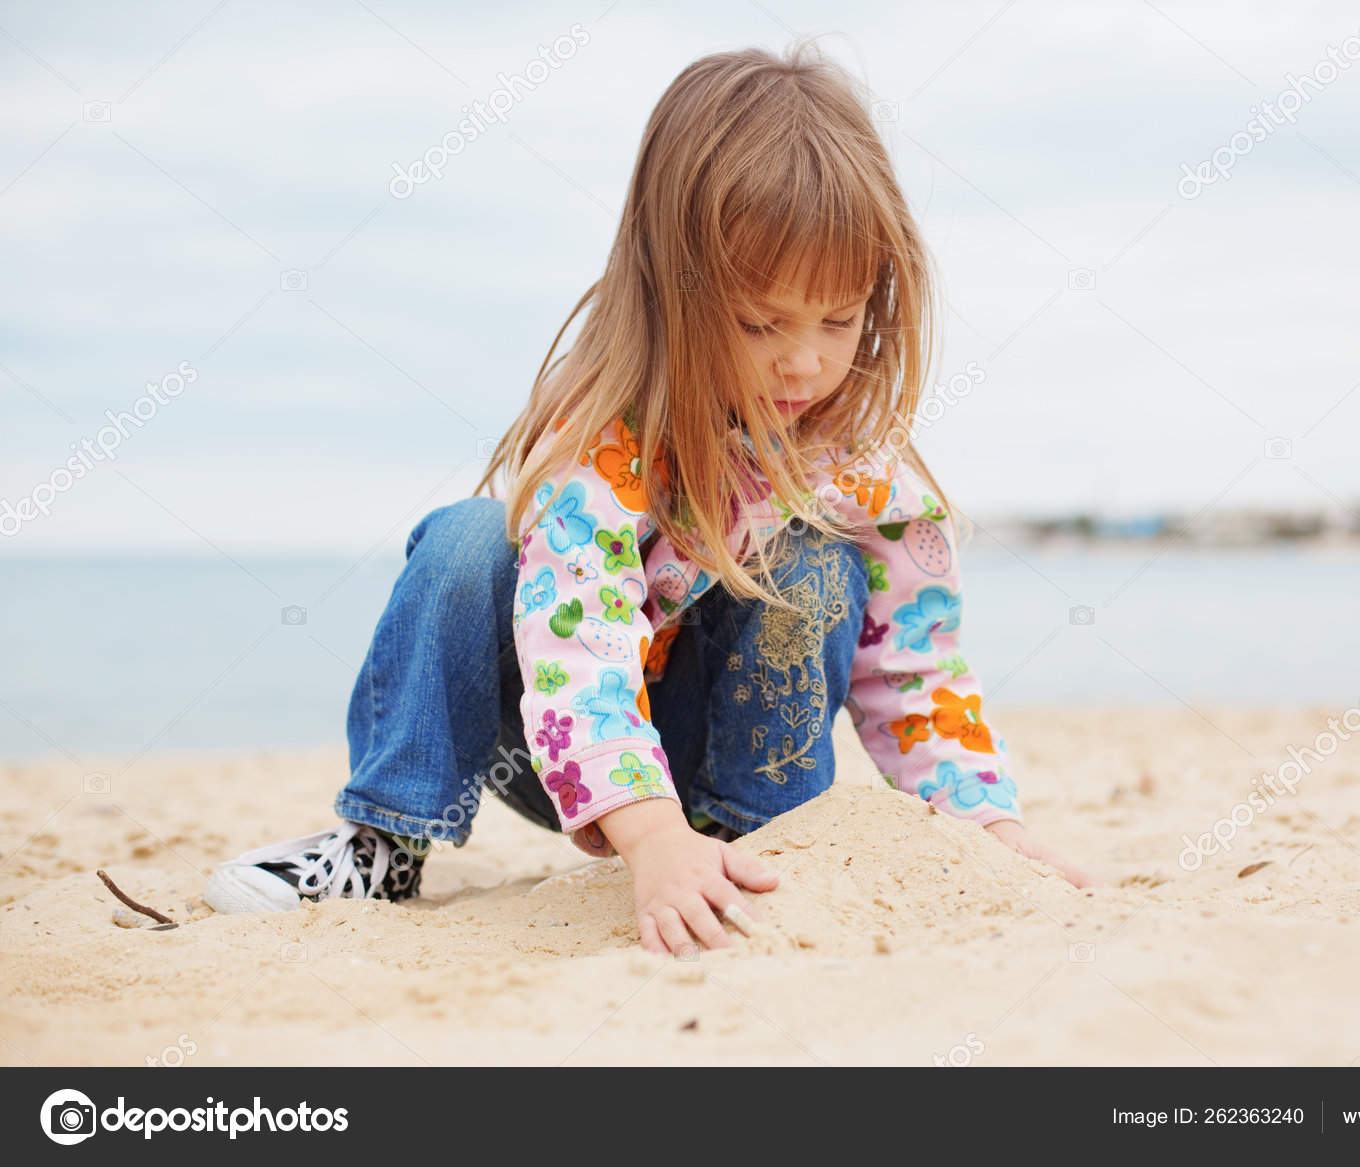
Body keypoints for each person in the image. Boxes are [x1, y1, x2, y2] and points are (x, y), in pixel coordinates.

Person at [206, 41, 1092, 955]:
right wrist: (648, 832)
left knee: (817, 559)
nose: (804, 360)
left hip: (731, 753)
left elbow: (913, 669)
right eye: (760, 322)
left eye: (838, 319)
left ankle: (755, 841)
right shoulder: (613, 437)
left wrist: (992, 830)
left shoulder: (859, 466)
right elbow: (577, 633)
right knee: (469, 537)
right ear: (675, 290)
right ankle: (385, 839)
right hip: (561, 726)